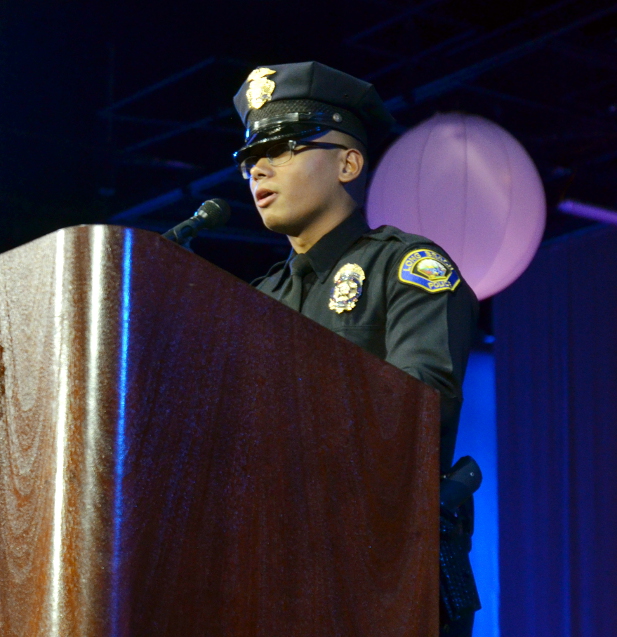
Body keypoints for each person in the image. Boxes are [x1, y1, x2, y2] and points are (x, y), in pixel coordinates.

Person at [232, 61, 480, 636]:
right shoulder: (255, 300)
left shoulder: (407, 267)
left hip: (379, 568)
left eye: (284, 148)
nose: (258, 169)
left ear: (348, 163)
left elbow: (416, 409)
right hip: (271, 572)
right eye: (249, 158)